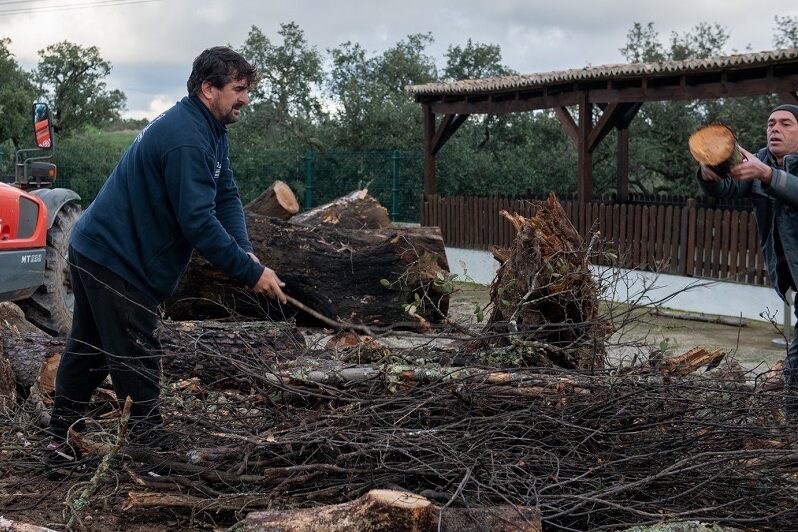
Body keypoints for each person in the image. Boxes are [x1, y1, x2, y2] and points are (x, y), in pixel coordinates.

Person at [44, 46, 286, 468]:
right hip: (117, 258)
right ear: (209, 89)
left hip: (99, 248)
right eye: (239, 89)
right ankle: (152, 456)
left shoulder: (209, 131)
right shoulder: (186, 137)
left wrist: (244, 246)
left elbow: (225, 193)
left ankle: (60, 443)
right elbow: (197, 222)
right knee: (136, 355)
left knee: (88, 350)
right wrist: (250, 272)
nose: (245, 99)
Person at [698, 103, 798, 418]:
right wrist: (708, 173)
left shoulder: (763, 167)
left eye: (786, 123)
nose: (775, 129)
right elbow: (727, 187)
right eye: (771, 123)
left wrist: (768, 175)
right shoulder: (758, 161)